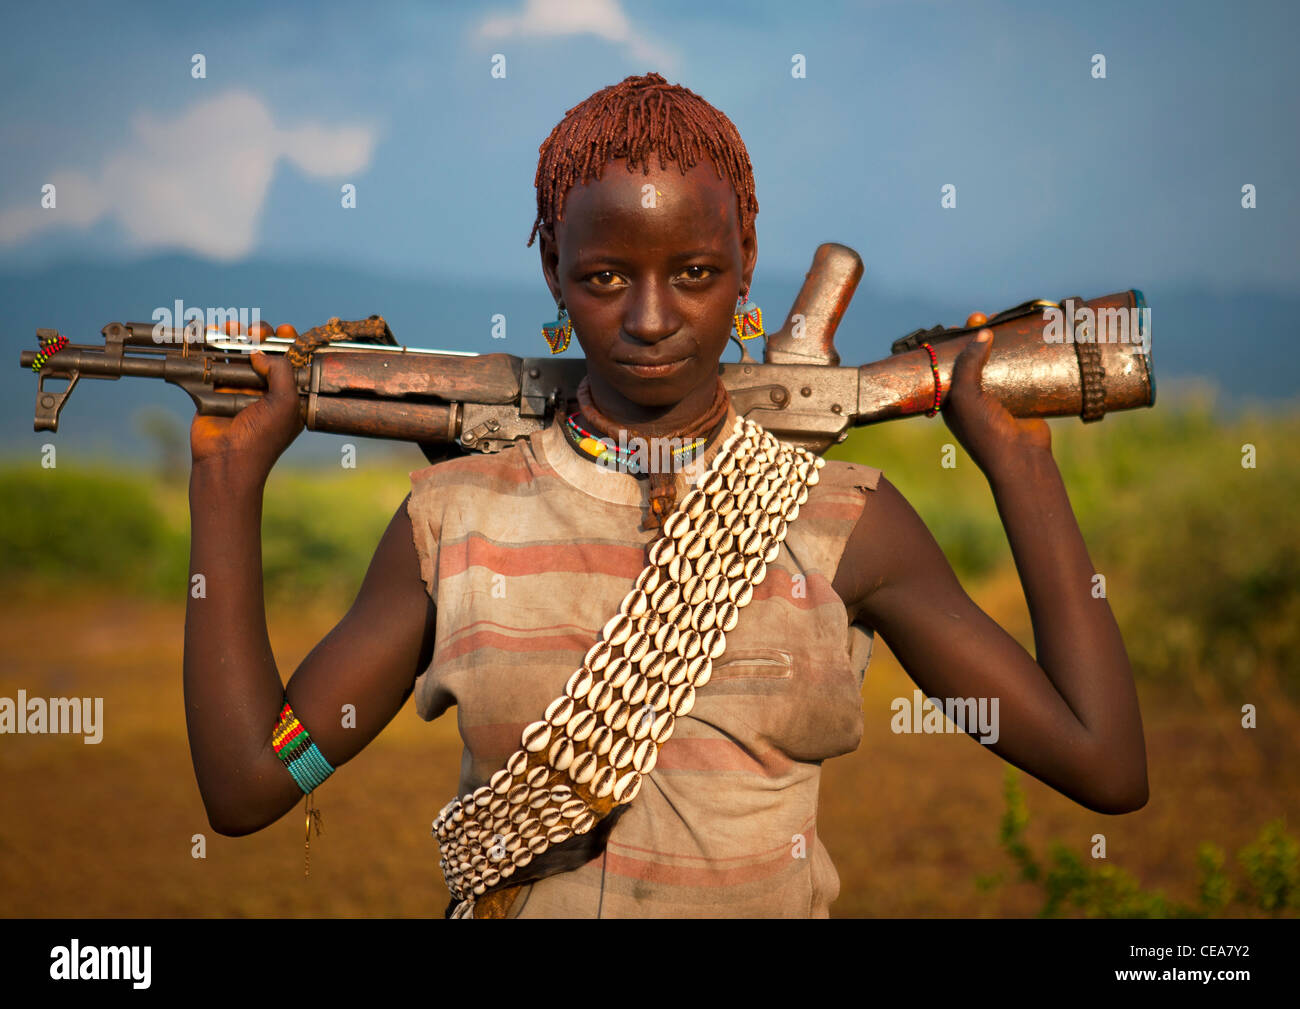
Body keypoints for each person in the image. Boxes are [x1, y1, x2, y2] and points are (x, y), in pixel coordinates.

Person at [183, 72, 1147, 919]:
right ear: (553, 268)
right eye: (605, 276)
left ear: (748, 263)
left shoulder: (848, 526)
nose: (650, 319)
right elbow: (263, 778)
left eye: (694, 273)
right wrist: (226, 486)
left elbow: (1100, 760)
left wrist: (1023, 467)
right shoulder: (453, 522)